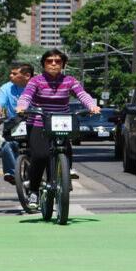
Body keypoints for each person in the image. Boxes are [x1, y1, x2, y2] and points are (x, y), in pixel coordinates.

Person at [15, 48, 101, 208]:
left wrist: (92, 106)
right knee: (40, 156)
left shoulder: (69, 80)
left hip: (61, 122)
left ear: (63, 64)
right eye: (49, 61)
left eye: (58, 61)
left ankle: (64, 174)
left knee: (66, 151)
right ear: (43, 64)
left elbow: (82, 94)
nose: (53, 64)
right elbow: (27, 95)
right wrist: (22, 106)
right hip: (39, 123)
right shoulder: (36, 81)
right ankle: (34, 191)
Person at [0, 62, 33, 184]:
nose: (10, 75)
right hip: (16, 124)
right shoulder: (6, 87)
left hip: (37, 123)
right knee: (7, 145)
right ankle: (12, 173)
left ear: (27, 75)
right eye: (10, 73)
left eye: (14, 73)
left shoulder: (37, 85)